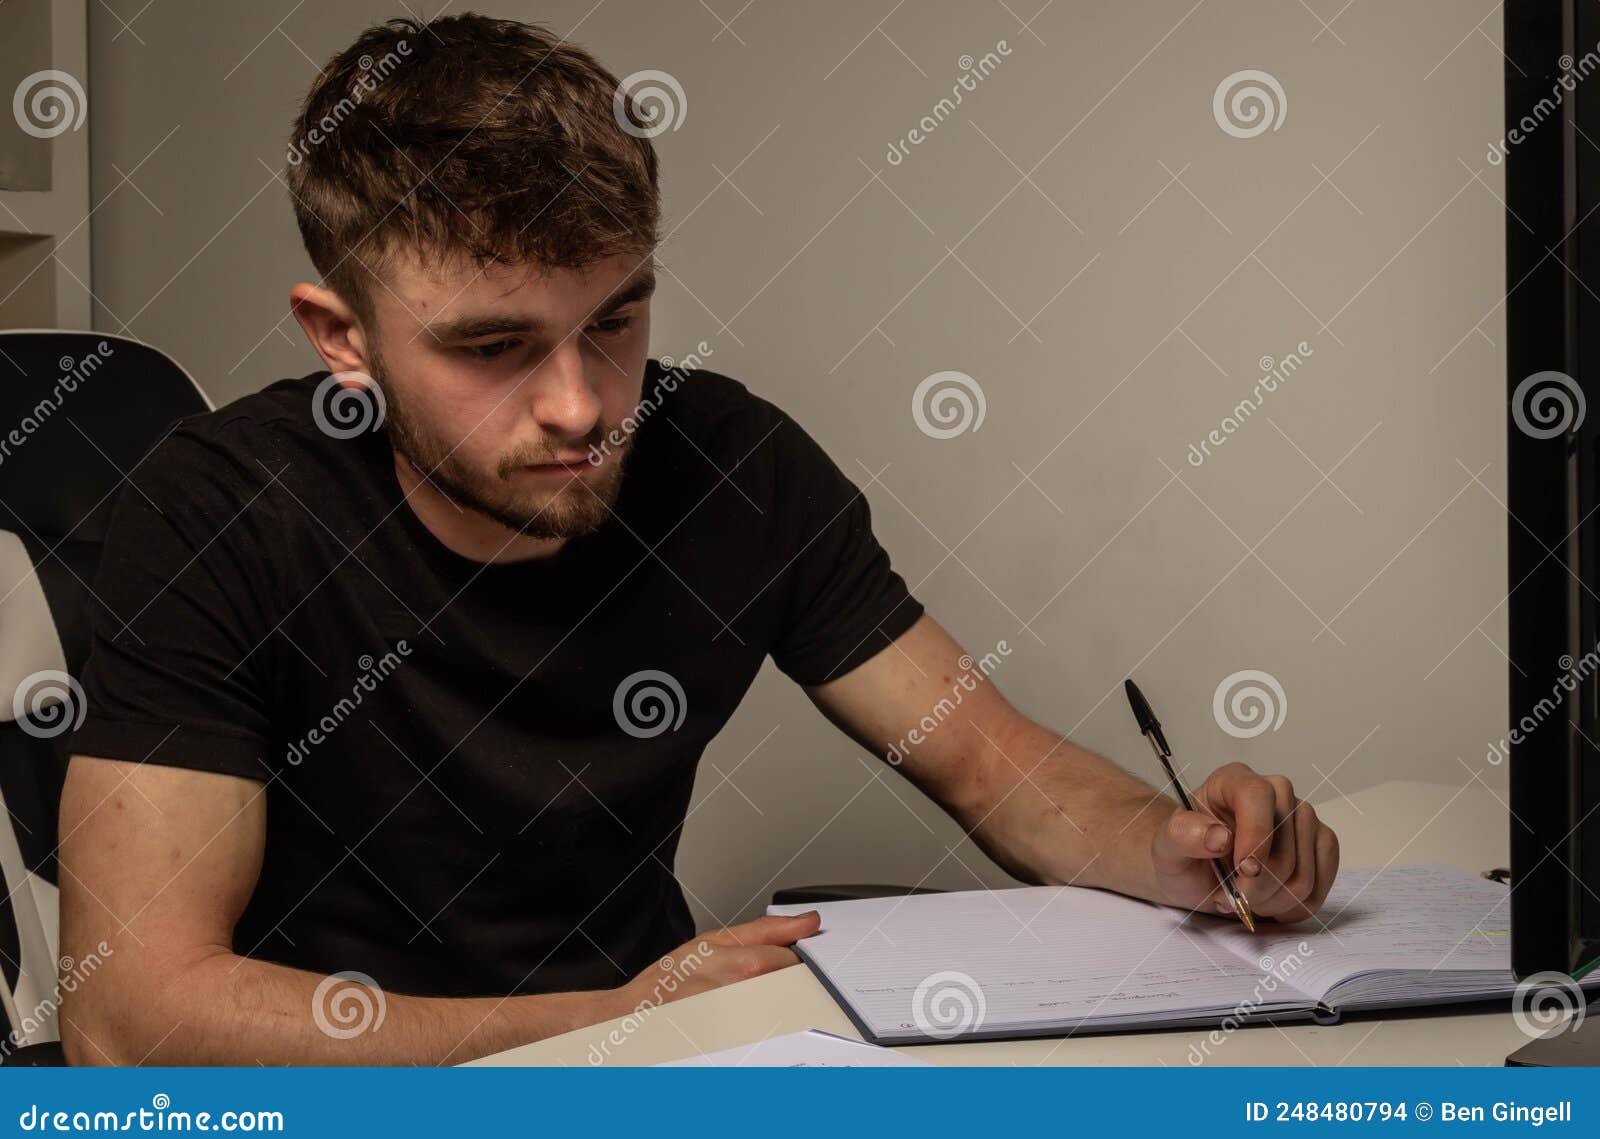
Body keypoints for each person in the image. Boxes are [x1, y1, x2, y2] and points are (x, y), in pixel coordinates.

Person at [57, 14, 1338, 1066]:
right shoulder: (214, 511)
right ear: (340, 336)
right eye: (494, 348)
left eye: (614, 322)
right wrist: (610, 1020)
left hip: (654, 1071)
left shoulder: (733, 466)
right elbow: (132, 1016)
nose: (579, 406)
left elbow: (995, 767)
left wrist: (1177, 851)